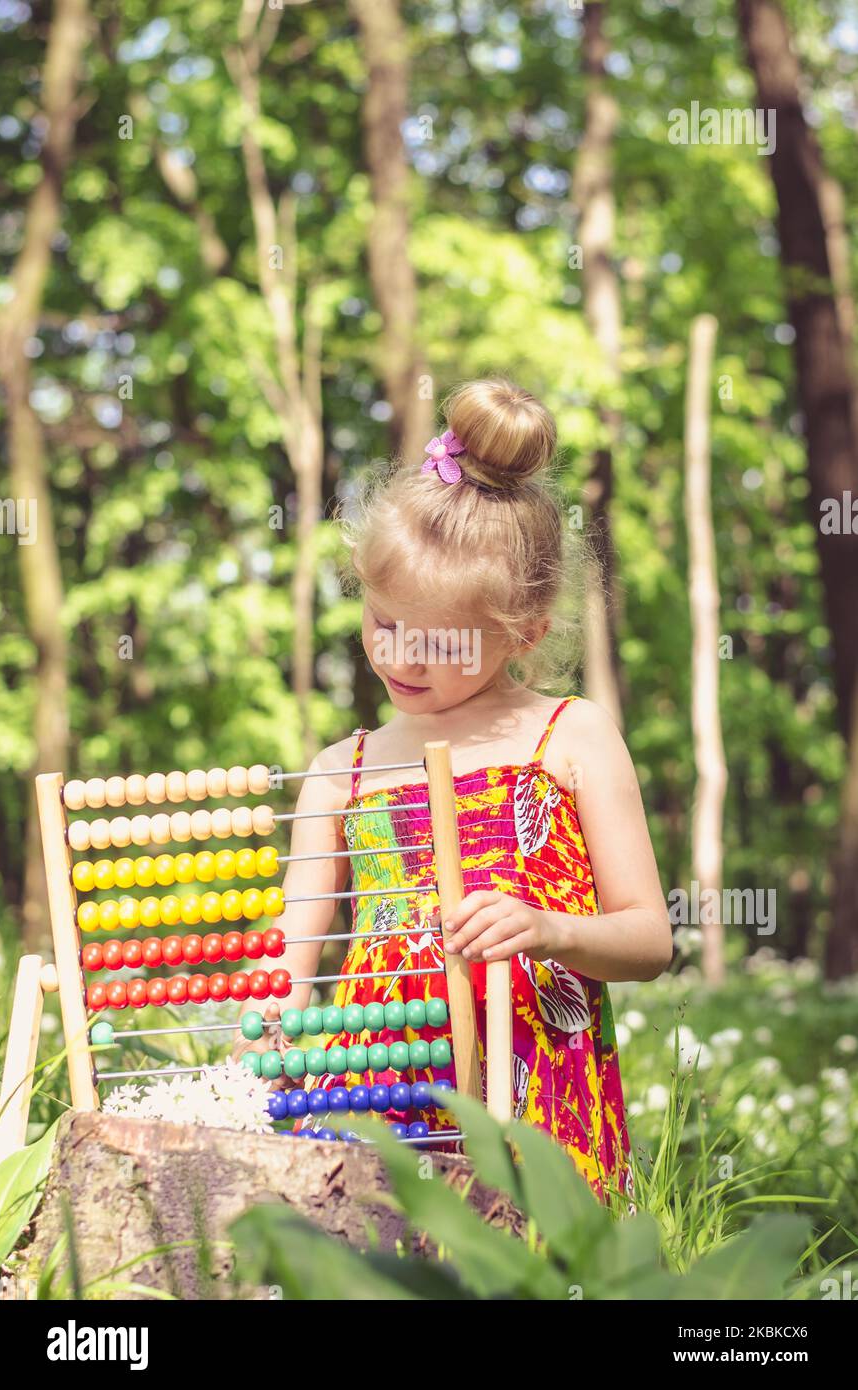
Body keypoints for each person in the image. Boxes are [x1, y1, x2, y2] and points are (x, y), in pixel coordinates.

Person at [237, 376, 672, 1205]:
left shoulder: (571, 736)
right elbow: (290, 962)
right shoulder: (343, 767)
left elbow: (649, 940)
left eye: (435, 641)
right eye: (381, 623)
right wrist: (252, 1032)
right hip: (379, 1085)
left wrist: (547, 929)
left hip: (535, 1097)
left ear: (526, 632)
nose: (398, 657)